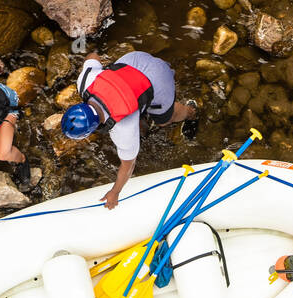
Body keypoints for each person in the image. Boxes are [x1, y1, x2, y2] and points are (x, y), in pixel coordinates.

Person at [61, 51, 196, 209]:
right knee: (135, 105)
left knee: (165, 120)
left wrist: (115, 191)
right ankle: (140, 104)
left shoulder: (123, 129)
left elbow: (128, 165)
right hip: (135, 59)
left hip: (159, 78)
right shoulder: (85, 81)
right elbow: (93, 57)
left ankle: (191, 112)